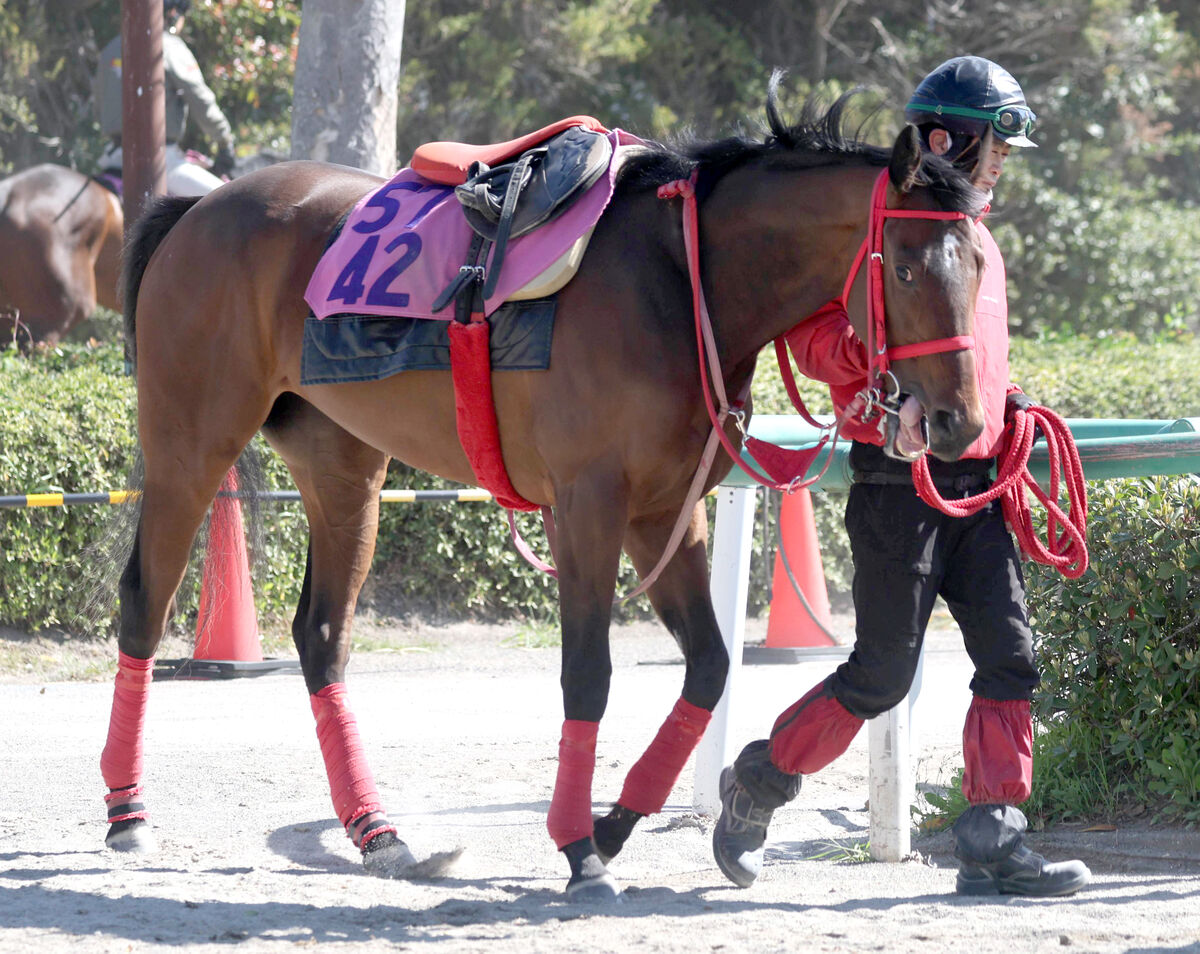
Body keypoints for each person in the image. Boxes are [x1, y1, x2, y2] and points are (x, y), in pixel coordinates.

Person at [712, 56, 1091, 898]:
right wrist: (882, 392)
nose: (1003, 161)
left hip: (980, 483)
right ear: (952, 139)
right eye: (996, 144)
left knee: (1011, 658)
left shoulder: (973, 237)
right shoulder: (867, 238)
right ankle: (757, 783)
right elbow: (813, 340)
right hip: (896, 485)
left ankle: (994, 838)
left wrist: (1004, 405)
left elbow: (970, 357)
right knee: (881, 675)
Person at [94, 0, 236, 197]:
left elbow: (99, 104)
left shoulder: (110, 48)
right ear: (174, 13)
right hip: (161, 159)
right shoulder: (169, 46)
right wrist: (223, 140)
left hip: (114, 156)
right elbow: (199, 98)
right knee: (228, 199)